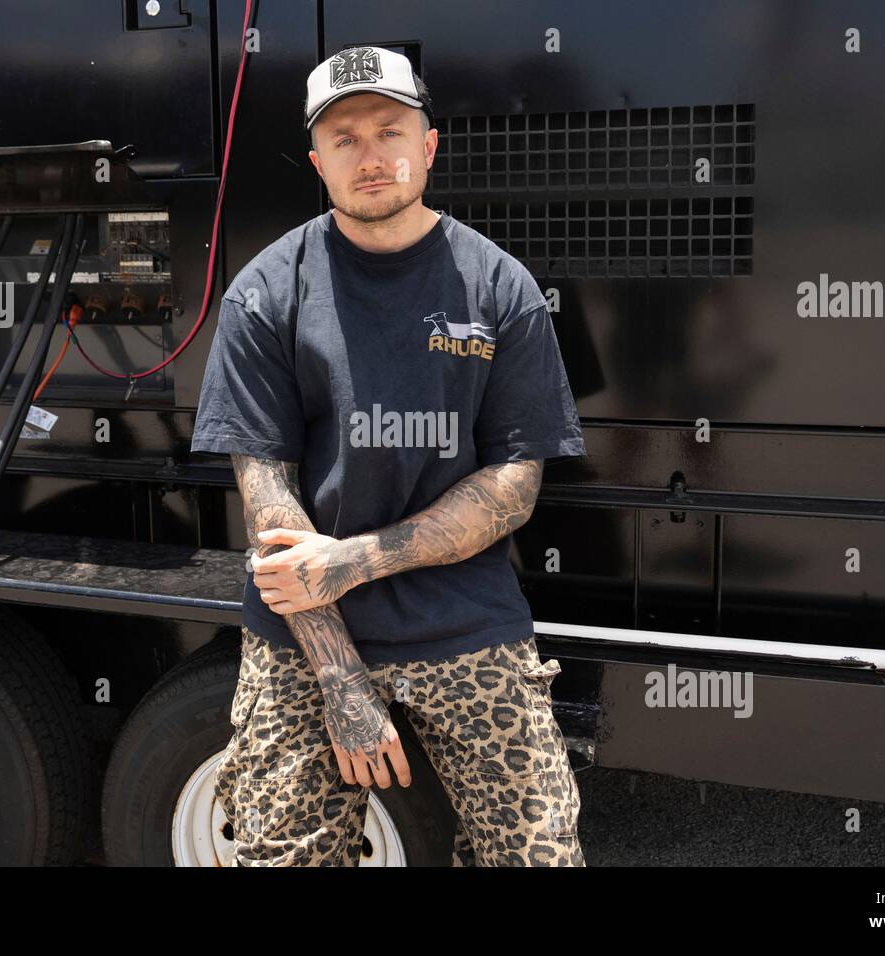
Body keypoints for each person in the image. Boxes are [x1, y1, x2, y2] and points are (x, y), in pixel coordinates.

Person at [190, 45, 587, 866]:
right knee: (280, 856)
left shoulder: (500, 288)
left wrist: (357, 560)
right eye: (345, 138)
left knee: (539, 854)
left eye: (390, 130)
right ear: (317, 162)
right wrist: (341, 680)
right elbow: (268, 502)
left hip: (465, 616)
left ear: (429, 146)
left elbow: (515, 484)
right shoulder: (265, 292)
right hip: (306, 631)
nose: (371, 156)